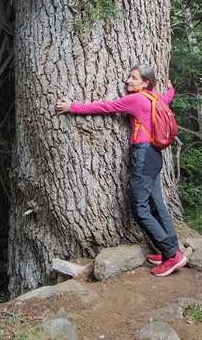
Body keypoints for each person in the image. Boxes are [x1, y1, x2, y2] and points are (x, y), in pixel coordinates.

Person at [56, 66, 186, 277]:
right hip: (155, 157)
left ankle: (172, 255)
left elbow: (106, 106)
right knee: (157, 205)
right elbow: (168, 97)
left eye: (133, 78)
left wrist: (73, 107)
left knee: (140, 209)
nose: (127, 81)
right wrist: (171, 88)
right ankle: (170, 249)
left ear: (145, 83)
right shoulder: (155, 98)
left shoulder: (136, 100)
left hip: (143, 157)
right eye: (128, 77)